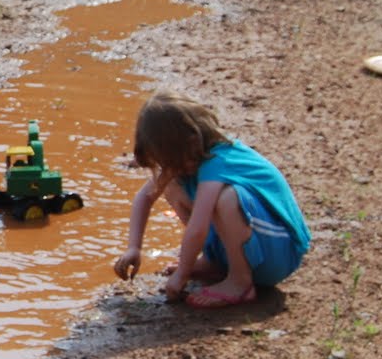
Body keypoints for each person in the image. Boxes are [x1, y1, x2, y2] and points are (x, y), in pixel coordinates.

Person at [113, 90, 310, 308]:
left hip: (279, 253)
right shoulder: (189, 159)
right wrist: (134, 248)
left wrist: (182, 273)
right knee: (171, 185)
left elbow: (198, 228)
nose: (169, 168)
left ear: (192, 142)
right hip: (256, 246)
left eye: (170, 160)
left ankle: (240, 281)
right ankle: (215, 262)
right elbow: (144, 198)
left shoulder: (218, 161)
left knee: (227, 199)